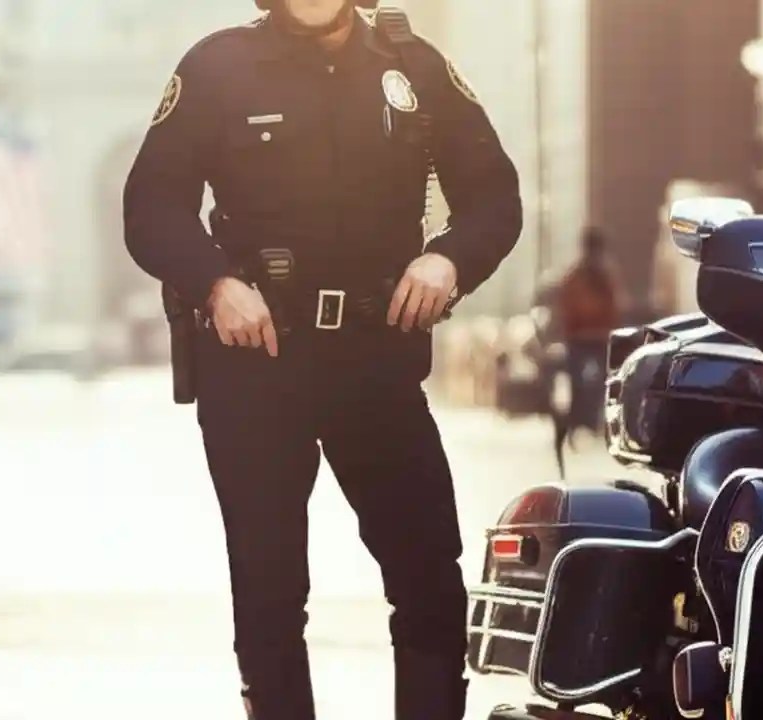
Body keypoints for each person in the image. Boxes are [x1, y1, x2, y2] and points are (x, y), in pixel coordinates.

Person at [123, 1, 522, 717]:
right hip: (256, 364)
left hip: (376, 362)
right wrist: (215, 283)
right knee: (269, 591)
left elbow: (495, 197)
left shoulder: (414, 66)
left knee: (430, 577)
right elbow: (151, 206)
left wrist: (448, 261)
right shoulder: (217, 66)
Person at [552, 227, 621, 457]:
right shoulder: (579, 276)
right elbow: (566, 306)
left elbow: (614, 306)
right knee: (580, 385)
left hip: (594, 338)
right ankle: (578, 426)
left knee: (599, 385)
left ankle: (591, 425)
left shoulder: (599, 276)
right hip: (582, 339)